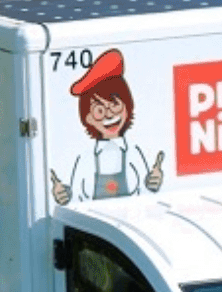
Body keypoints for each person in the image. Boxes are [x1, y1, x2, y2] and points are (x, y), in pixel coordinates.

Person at [50, 49, 164, 205]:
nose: (109, 115)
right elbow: (76, 202)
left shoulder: (134, 153)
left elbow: (145, 197)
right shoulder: (85, 159)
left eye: (115, 105)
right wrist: (64, 197)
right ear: (88, 118)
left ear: (127, 106)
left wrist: (152, 184)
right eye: (100, 111)